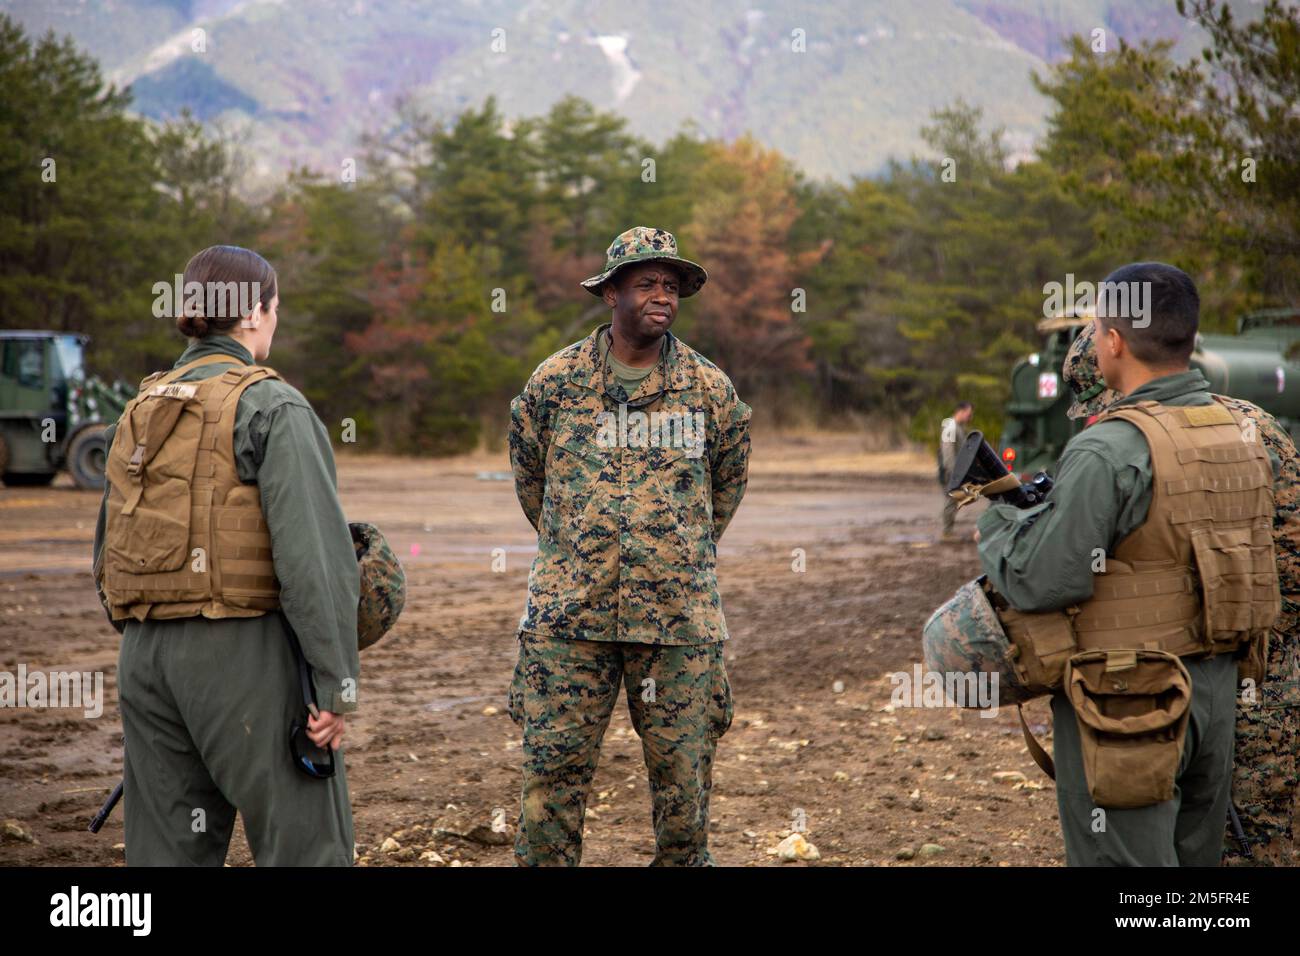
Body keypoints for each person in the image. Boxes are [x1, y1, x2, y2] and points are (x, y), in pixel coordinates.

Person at [976, 262, 1280, 866]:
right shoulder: (1240, 431)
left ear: (1112, 342)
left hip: (1129, 699)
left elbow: (1041, 579)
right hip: (1217, 691)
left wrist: (997, 512)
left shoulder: (1108, 446)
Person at [93, 245, 359, 865]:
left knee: (163, 856)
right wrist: (334, 686)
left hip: (145, 659)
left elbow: (107, 556)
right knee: (307, 848)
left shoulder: (138, 408)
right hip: (244, 657)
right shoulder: (274, 405)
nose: (274, 321)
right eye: (274, 307)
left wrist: (155, 631)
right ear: (251, 314)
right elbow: (313, 563)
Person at [507, 225, 751, 866]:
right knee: (550, 788)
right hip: (569, 620)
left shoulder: (709, 390)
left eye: (671, 286)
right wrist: (580, 551)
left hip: (678, 625)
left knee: (684, 798)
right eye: (646, 283)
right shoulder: (555, 383)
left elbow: (724, 489)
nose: (661, 296)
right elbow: (531, 481)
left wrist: (667, 553)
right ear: (611, 292)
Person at [1062, 317, 1299, 865]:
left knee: (1220, 841)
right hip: (1260, 665)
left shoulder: (1145, 443)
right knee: (1246, 837)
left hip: (1213, 671)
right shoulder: (1245, 422)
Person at [939, 402, 974, 539]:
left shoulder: (958, 427)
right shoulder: (950, 425)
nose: (970, 417)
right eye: (969, 413)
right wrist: (953, 472)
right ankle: (947, 532)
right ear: (961, 411)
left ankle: (948, 530)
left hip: (956, 470)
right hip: (950, 470)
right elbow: (947, 452)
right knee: (950, 499)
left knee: (954, 499)